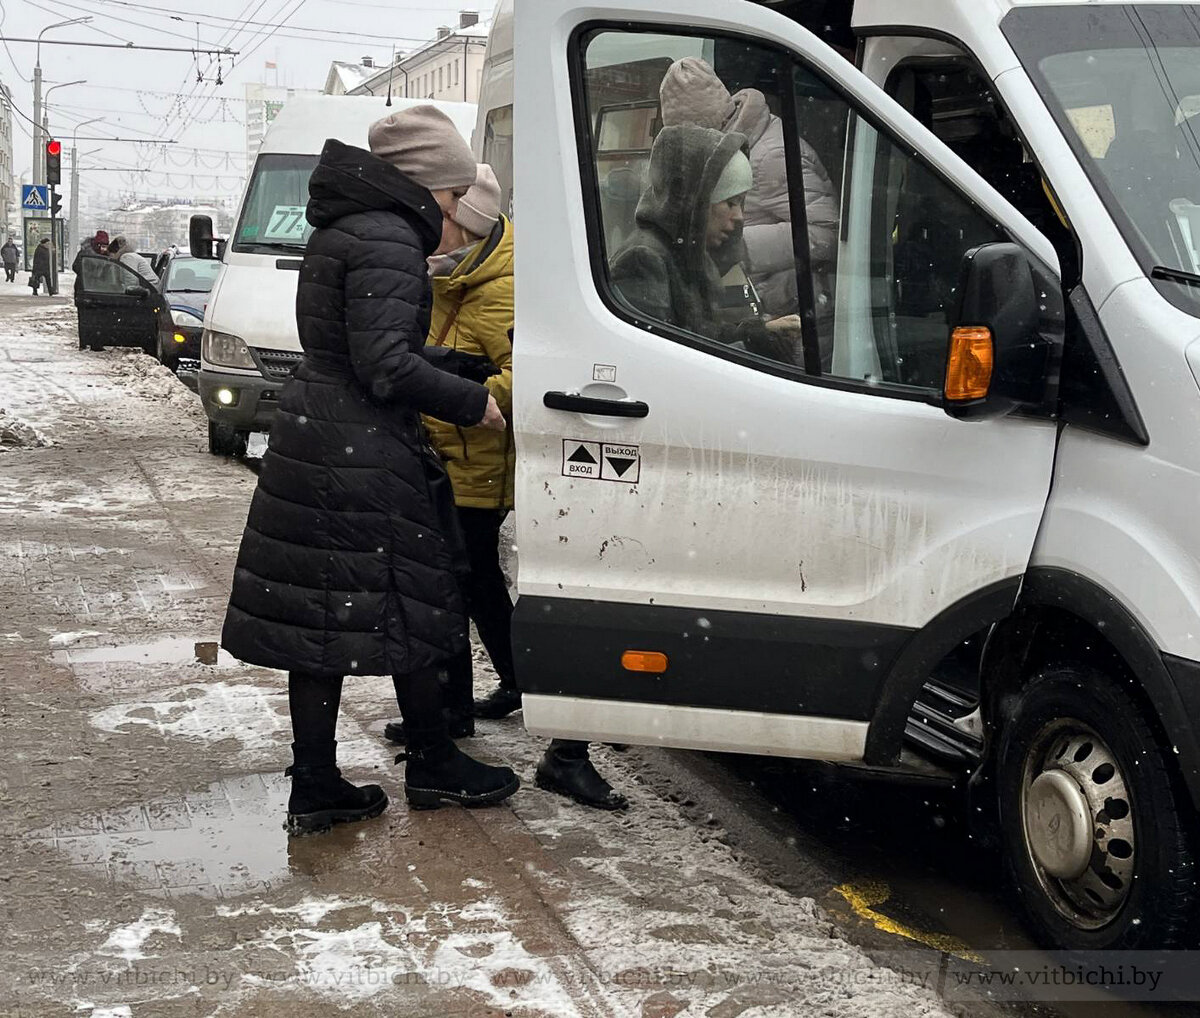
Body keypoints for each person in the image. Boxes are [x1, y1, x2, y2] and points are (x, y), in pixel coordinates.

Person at [221, 105, 520, 836]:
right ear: (430, 188)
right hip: (360, 445)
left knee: (324, 616)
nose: (454, 215)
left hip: (321, 434)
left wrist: (455, 362)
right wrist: (473, 399)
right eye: (454, 198)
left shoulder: (346, 226)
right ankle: (433, 763)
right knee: (414, 593)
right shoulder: (389, 236)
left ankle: (319, 782)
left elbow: (357, 344)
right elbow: (385, 364)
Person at [379, 164, 627, 811]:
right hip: (444, 453)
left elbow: (528, 380)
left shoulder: (502, 286)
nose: (432, 230)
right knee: (472, 582)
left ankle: (465, 707)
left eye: (445, 219)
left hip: (479, 459)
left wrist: (459, 396)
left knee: (457, 583)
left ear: (468, 226)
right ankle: (496, 690)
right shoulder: (449, 275)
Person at [659, 57, 839, 357]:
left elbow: (827, 232)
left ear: (709, 126)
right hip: (759, 313)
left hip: (798, 315)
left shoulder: (770, 155)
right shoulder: (734, 152)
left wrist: (736, 247)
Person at [610, 123, 801, 362]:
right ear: (695, 202)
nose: (739, 216)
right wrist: (752, 349)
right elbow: (663, 361)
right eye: (730, 202)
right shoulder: (644, 260)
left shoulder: (683, 253)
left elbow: (696, 334)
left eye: (741, 203)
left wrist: (758, 333)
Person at [72, 231, 109, 296]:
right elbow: (75, 267)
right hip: (84, 288)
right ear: (97, 245)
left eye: (106, 247)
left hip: (98, 290)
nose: (104, 249)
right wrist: (88, 274)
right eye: (103, 247)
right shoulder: (85, 253)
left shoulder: (107, 256)